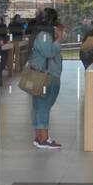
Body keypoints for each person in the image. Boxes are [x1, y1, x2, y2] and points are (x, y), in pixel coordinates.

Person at [27, 8, 63, 150]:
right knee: (44, 106)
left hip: (39, 73)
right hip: (46, 75)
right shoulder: (43, 35)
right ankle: (44, 139)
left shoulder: (38, 32)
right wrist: (59, 39)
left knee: (38, 106)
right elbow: (49, 52)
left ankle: (39, 137)